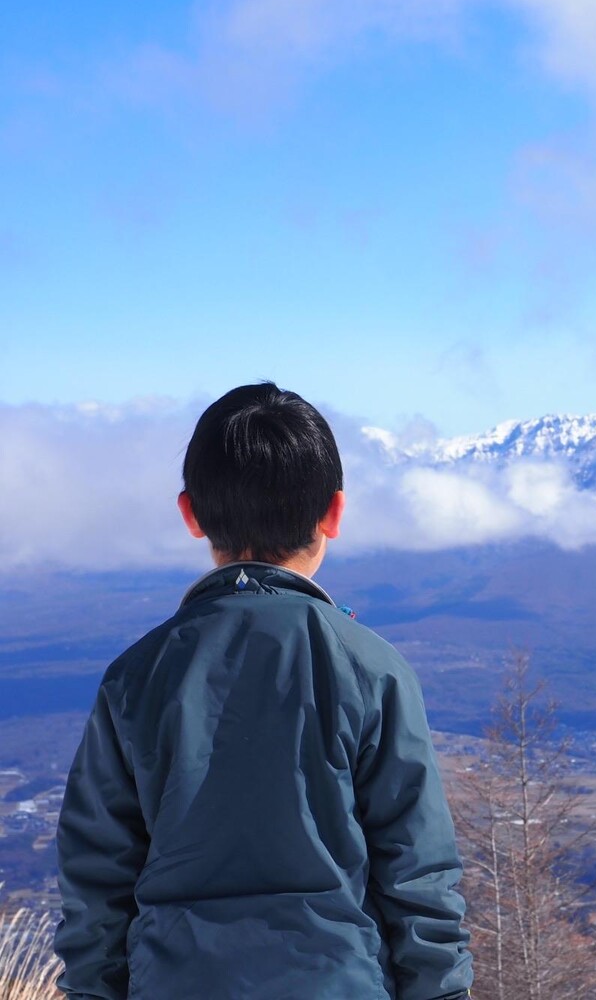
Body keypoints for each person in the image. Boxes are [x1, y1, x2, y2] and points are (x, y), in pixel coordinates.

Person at [53, 383, 472, 1000]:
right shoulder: (373, 670)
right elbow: (419, 872)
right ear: (333, 512)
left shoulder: (135, 677)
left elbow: (95, 878)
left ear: (190, 514)